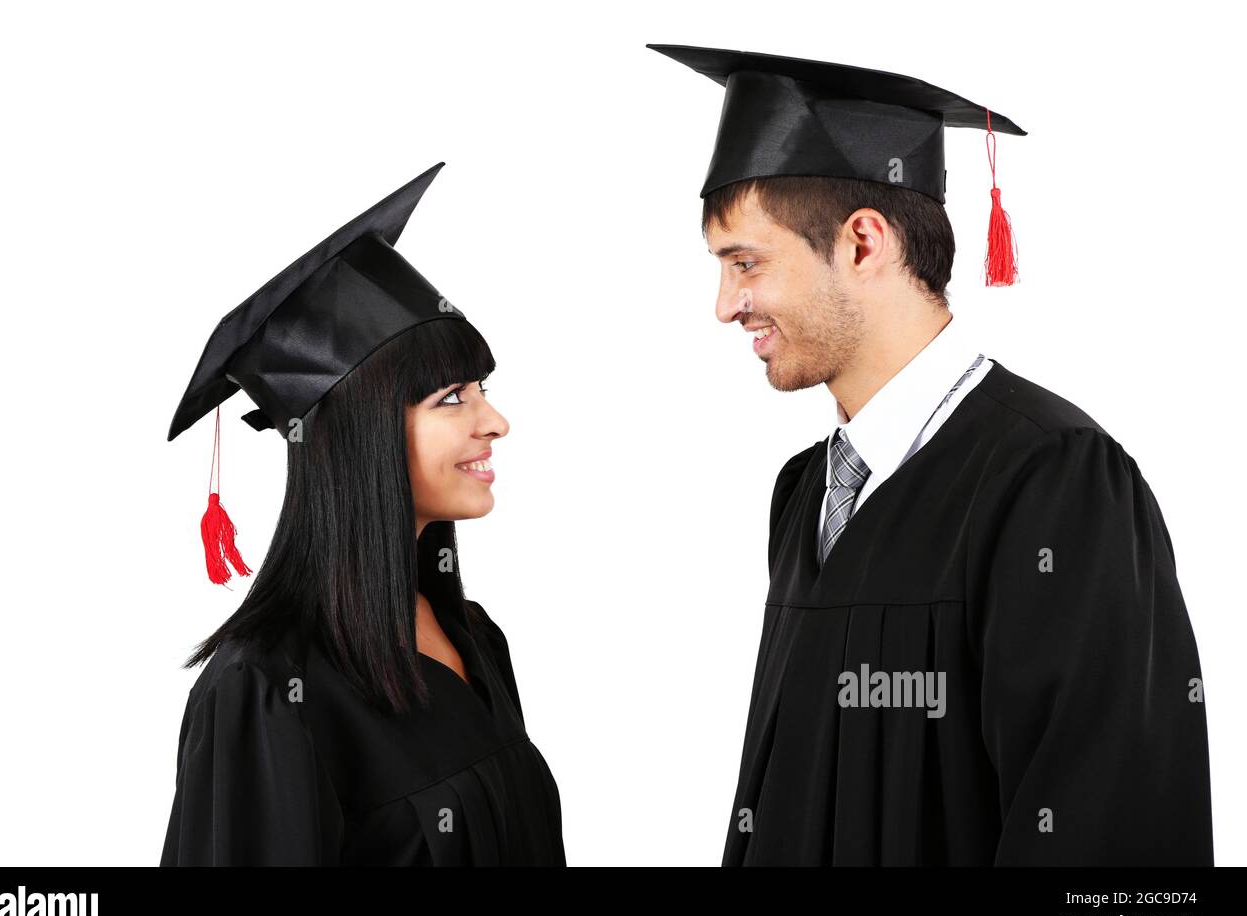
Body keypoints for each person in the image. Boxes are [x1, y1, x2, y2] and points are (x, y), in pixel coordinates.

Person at [648, 44, 1213, 865]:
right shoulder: (806, 492)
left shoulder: (1055, 481)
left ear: (864, 244)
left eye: (746, 263)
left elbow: (1112, 842)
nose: (726, 305)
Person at [159, 163, 565, 865]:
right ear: (360, 433)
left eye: (483, 389)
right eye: (451, 398)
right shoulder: (262, 693)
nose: (494, 420)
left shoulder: (474, 639)